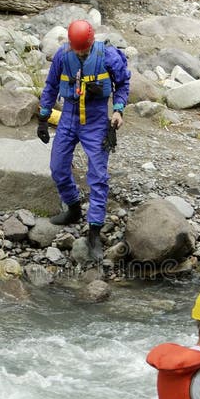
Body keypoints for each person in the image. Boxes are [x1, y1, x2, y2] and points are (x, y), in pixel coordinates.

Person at [36, 19, 130, 261]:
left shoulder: (108, 56)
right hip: (68, 117)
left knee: (98, 175)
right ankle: (73, 208)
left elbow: (122, 83)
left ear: (90, 42)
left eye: (83, 49)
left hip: (96, 120)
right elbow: (51, 86)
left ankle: (95, 231)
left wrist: (118, 110)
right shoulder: (62, 55)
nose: (79, 53)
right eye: (76, 49)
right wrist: (43, 117)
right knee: (58, 167)